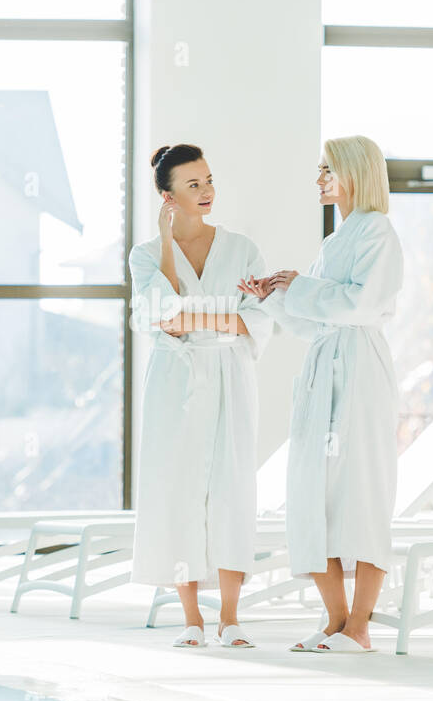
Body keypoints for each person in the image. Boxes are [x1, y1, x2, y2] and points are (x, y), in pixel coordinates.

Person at [238, 135, 403, 653]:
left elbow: (360, 304)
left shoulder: (378, 233)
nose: (319, 179)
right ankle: (335, 620)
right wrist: (274, 299)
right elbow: (313, 325)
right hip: (324, 366)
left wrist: (300, 285)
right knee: (311, 495)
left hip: (359, 373)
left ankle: (360, 626)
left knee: (361, 493)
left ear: (353, 173)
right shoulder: (336, 241)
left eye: (327, 170)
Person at [129, 144, 273, 649]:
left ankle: (230, 619)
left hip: (231, 376)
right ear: (167, 195)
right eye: (193, 185)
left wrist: (196, 320)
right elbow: (160, 313)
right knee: (180, 491)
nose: (207, 191)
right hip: (176, 383)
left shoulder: (242, 248)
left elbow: (256, 319)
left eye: (209, 180)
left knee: (233, 488)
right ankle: (191, 619)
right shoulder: (146, 255)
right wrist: (168, 245)